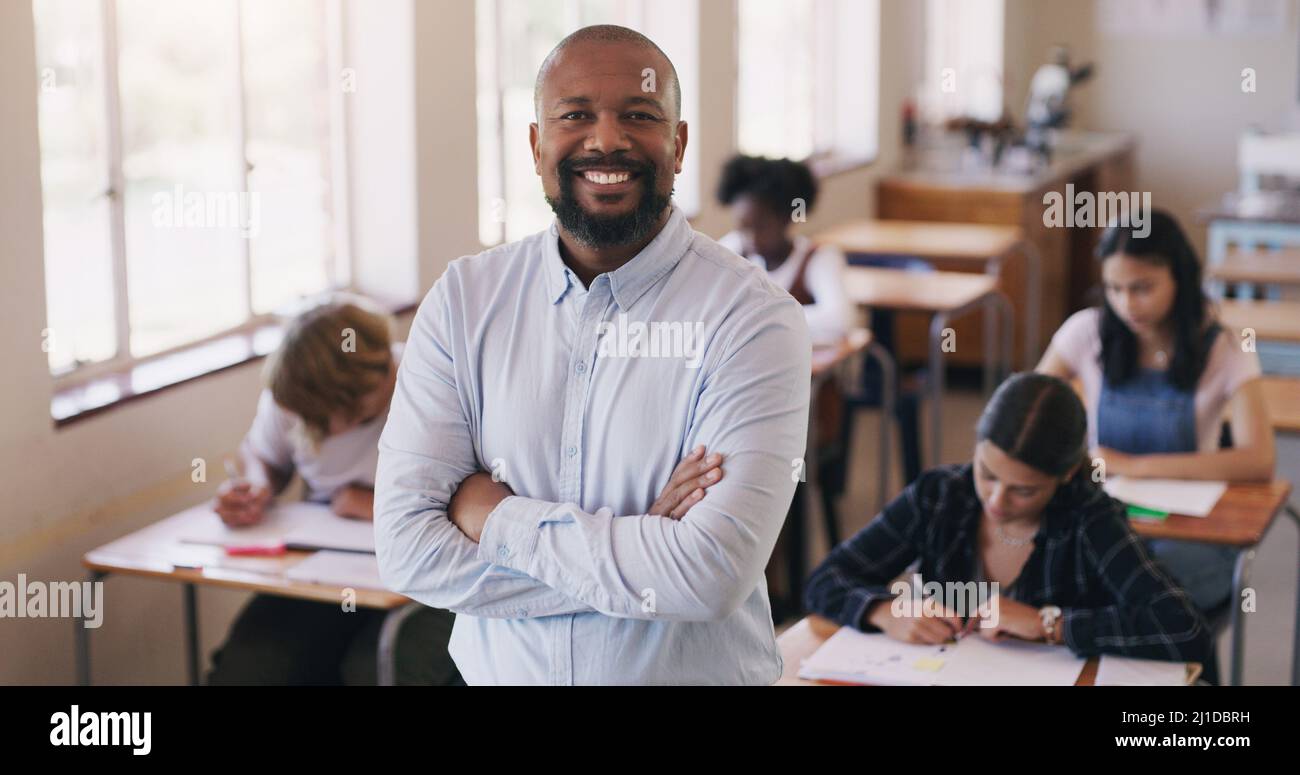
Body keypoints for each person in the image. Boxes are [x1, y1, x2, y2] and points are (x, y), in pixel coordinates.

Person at [374, 25, 811, 685]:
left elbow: (708, 575)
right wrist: (640, 551)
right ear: (536, 144)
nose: (606, 140)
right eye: (575, 115)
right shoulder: (464, 301)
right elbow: (408, 551)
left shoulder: (753, 317)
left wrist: (494, 515)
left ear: (679, 143)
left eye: (639, 115)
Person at [805, 373, 1211, 668]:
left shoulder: (1090, 520)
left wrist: (1048, 624)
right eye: (988, 473)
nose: (997, 500)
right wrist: (883, 611)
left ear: (1066, 475)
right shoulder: (940, 496)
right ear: (977, 446)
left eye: (1024, 490)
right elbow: (826, 579)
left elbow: (1185, 628)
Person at [207, 298, 460, 685]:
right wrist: (256, 486)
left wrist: (371, 504)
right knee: (248, 670)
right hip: (327, 571)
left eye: (321, 419)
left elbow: (479, 506)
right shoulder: (297, 394)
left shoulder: (434, 382)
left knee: (373, 670)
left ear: (371, 388)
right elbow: (261, 454)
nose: (309, 427)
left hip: (427, 576)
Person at [1036, 209, 1274, 611]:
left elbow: (1259, 460)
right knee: (1062, 569)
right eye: (1114, 288)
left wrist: (1131, 464)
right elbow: (1026, 417)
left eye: (1142, 287)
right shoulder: (1086, 332)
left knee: (1141, 584)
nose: (1126, 303)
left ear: (1179, 278)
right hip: (1104, 517)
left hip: (1193, 531)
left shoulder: (1227, 347)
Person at [715, 154, 851, 342]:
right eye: (743, 227)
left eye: (761, 227)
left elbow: (840, 320)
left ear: (786, 219)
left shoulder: (818, 259)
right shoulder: (732, 250)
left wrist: (755, 319)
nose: (751, 238)